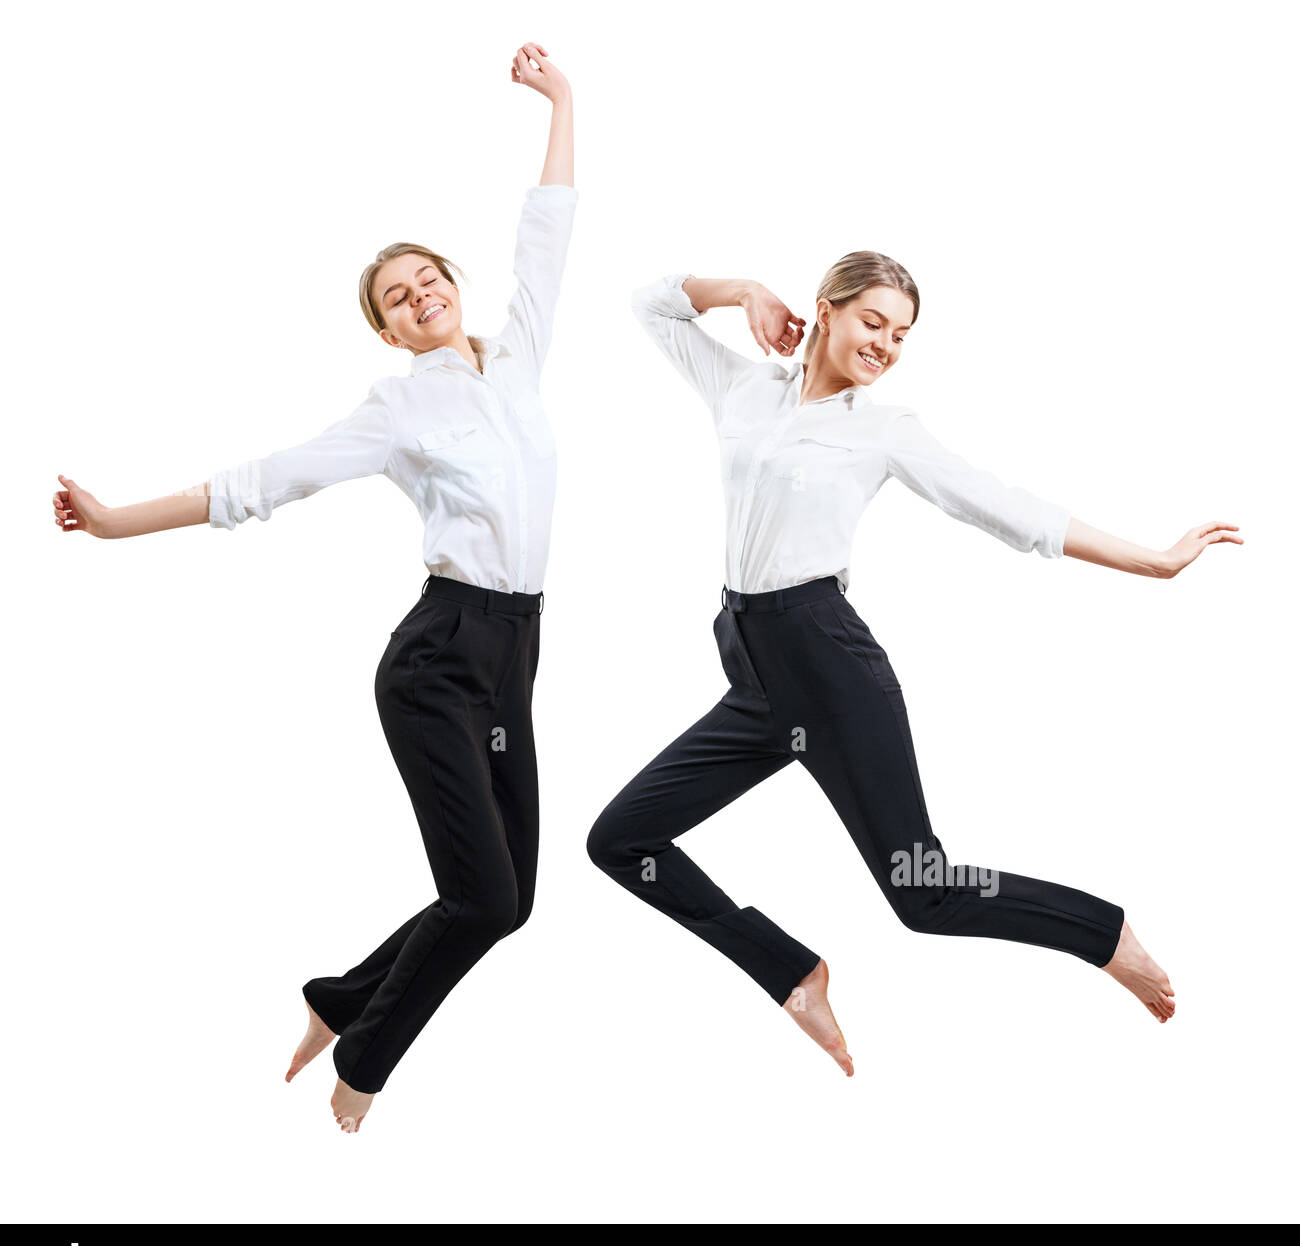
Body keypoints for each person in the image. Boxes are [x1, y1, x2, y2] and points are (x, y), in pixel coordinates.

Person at [51, 42, 577, 1130]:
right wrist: (113, 524)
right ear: (386, 327)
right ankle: (365, 1057)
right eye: (398, 296)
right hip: (438, 662)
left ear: (451, 286)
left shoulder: (518, 355)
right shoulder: (395, 407)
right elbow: (261, 482)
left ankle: (338, 999)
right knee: (482, 894)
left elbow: (549, 232)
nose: (421, 295)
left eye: (430, 278)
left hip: (515, 650)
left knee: (510, 900)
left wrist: (562, 101)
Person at [586, 263, 1242, 1075]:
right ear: (825, 312)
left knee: (922, 890)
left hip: (829, 669)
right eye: (874, 323)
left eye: (901, 334)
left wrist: (1152, 561)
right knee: (621, 839)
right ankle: (791, 973)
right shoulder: (747, 390)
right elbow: (649, 305)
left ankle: (1103, 935)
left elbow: (1003, 505)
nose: (887, 346)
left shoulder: (884, 428)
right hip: (755, 675)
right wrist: (744, 289)